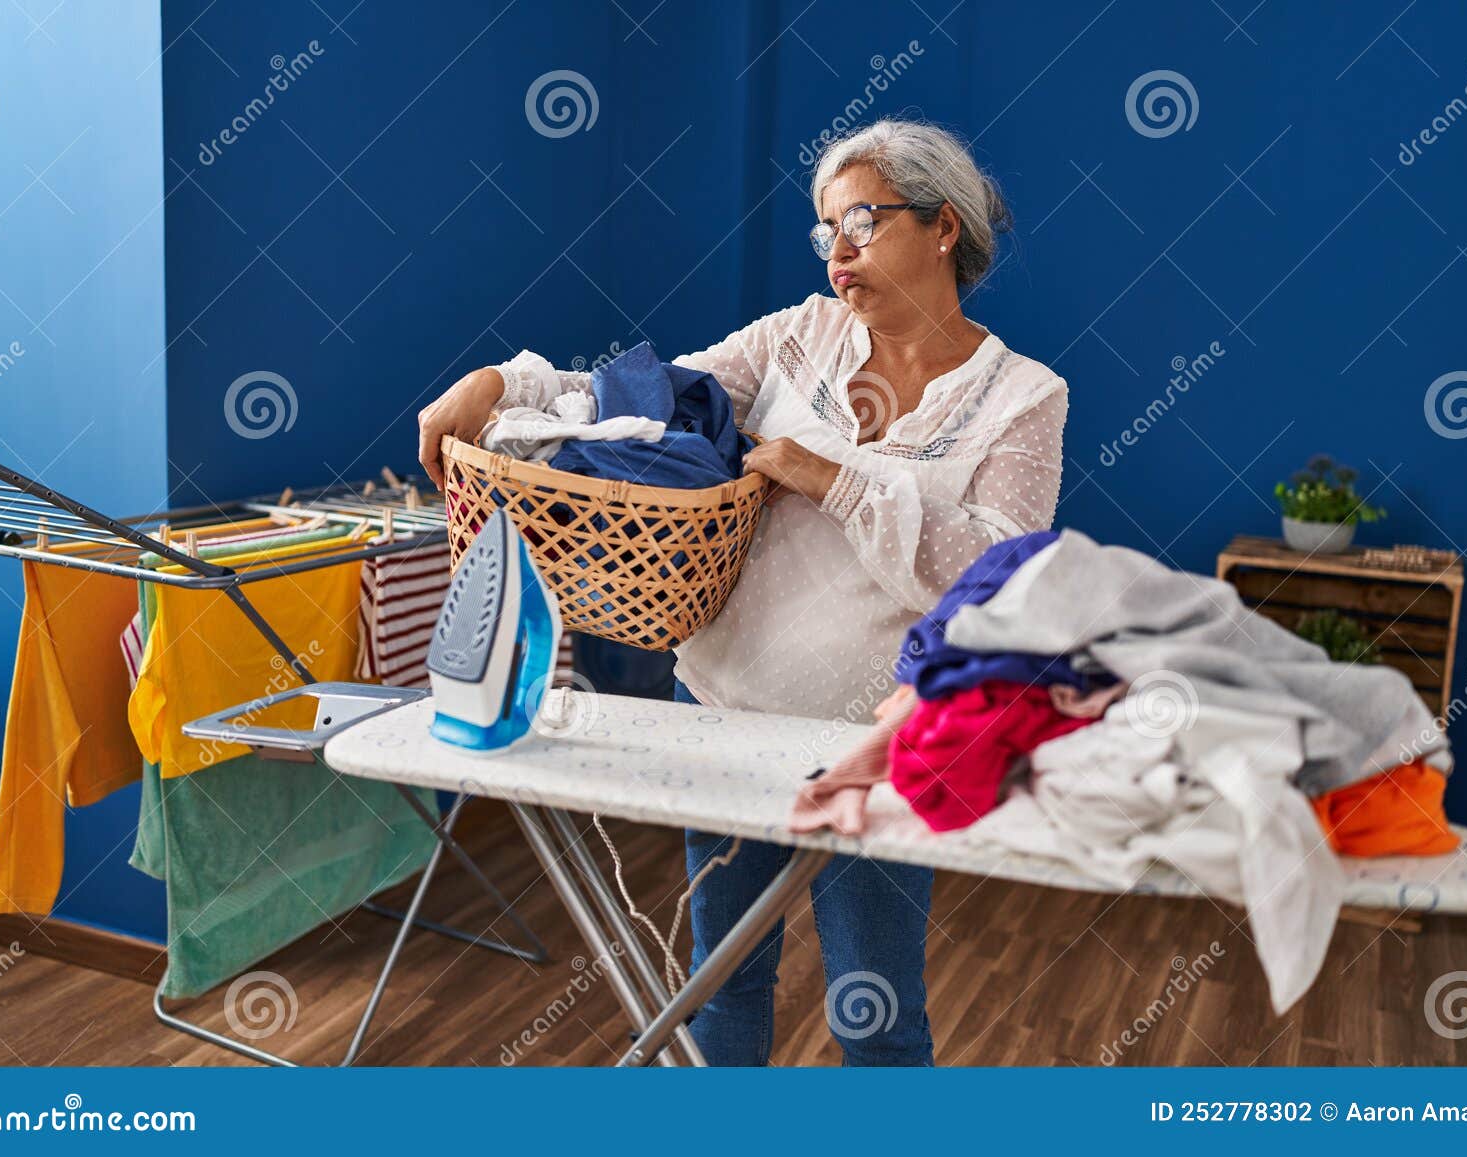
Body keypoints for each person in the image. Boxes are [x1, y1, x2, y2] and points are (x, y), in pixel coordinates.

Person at [417, 117, 1068, 1066]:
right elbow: (641, 396)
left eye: (864, 222)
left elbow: (1002, 581)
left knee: (875, 1011)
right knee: (722, 984)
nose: (838, 253)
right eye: (825, 231)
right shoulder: (797, 338)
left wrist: (835, 478)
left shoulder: (1023, 395)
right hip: (719, 705)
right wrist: (500, 383)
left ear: (943, 227)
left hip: (874, 745)